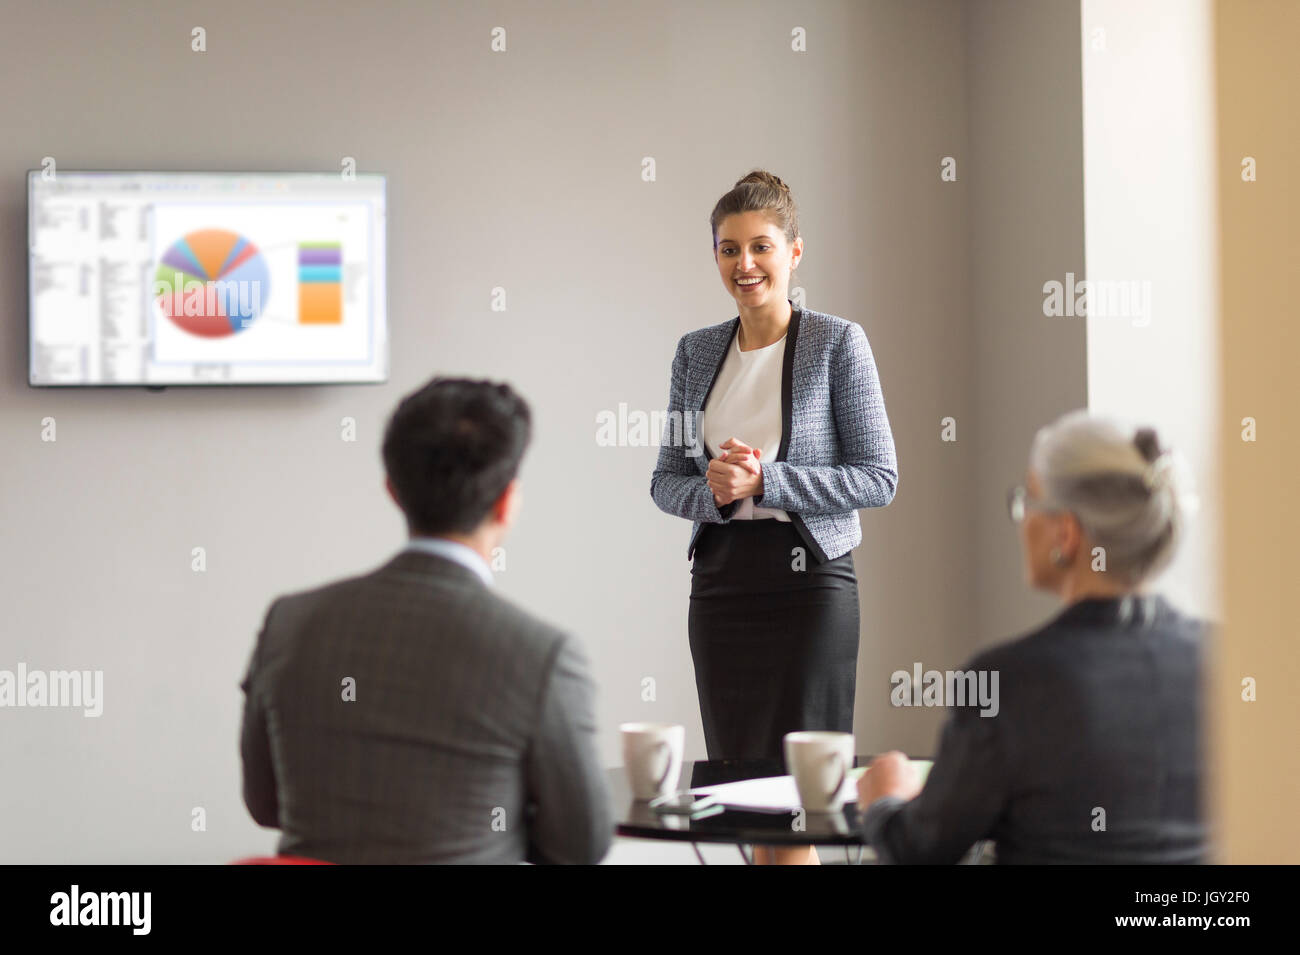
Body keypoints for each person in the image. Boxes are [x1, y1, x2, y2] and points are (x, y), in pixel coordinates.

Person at [239, 377, 611, 864]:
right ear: (506, 502)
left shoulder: (288, 621)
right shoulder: (544, 654)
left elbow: (266, 805)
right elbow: (580, 847)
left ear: (393, 490)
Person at [650, 170, 898, 864]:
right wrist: (719, 491)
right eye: (729, 249)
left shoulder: (838, 343)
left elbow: (880, 476)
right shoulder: (695, 352)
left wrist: (771, 479)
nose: (744, 264)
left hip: (810, 587)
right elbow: (665, 483)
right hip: (723, 588)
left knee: (796, 814)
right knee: (742, 808)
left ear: (794, 252)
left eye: (760, 246)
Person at [857, 410, 1208, 864]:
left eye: (1029, 500)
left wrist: (885, 800)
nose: (1021, 521)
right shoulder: (1223, 659)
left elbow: (920, 851)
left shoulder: (1007, 682)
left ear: (1066, 532)